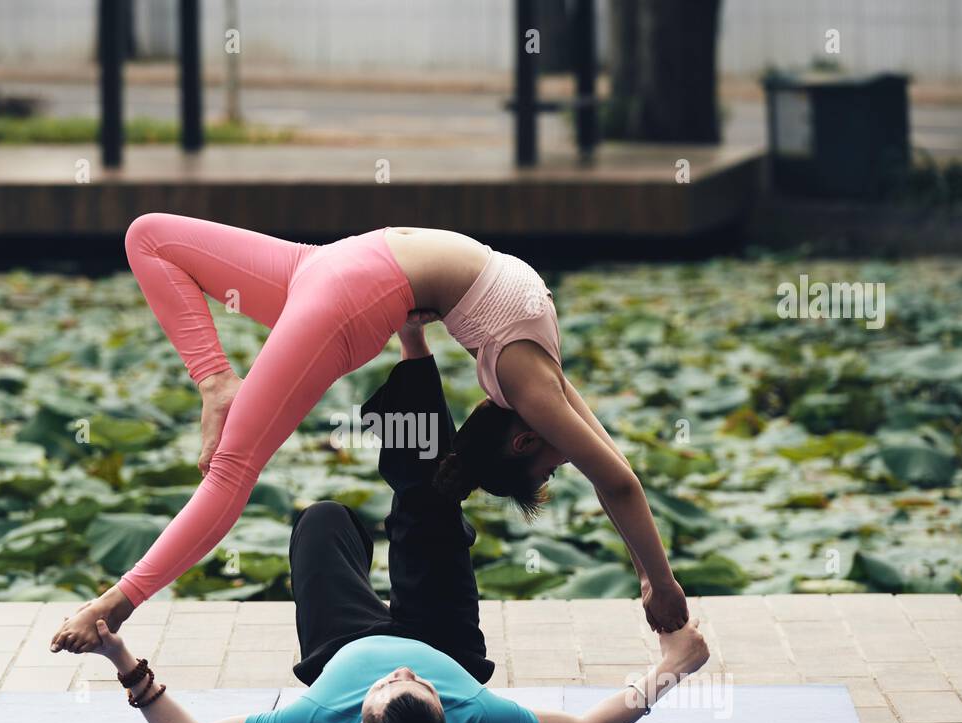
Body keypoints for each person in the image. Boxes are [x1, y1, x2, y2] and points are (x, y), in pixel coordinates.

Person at [54, 324, 711, 723]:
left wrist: (121, 655)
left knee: (322, 521)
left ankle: (356, 516)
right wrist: (674, 664)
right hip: (444, 638)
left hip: (340, 647)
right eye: (416, 684)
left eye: (390, 685)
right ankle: (413, 341)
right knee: (429, 502)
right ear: (445, 713)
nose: (402, 672)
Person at [50, 215, 689, 655]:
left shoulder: (530, 384)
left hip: (350, 289)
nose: (565, 458)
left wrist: (652, 574)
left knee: (231, 470)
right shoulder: (534, 383)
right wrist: (658, 583)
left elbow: (612, 474)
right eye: (552, 472)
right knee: (151, 237)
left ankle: (116, 602)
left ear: (522, 439)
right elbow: (619, 477)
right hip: (335, 267)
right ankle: (216, 381)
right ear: (524, 443)